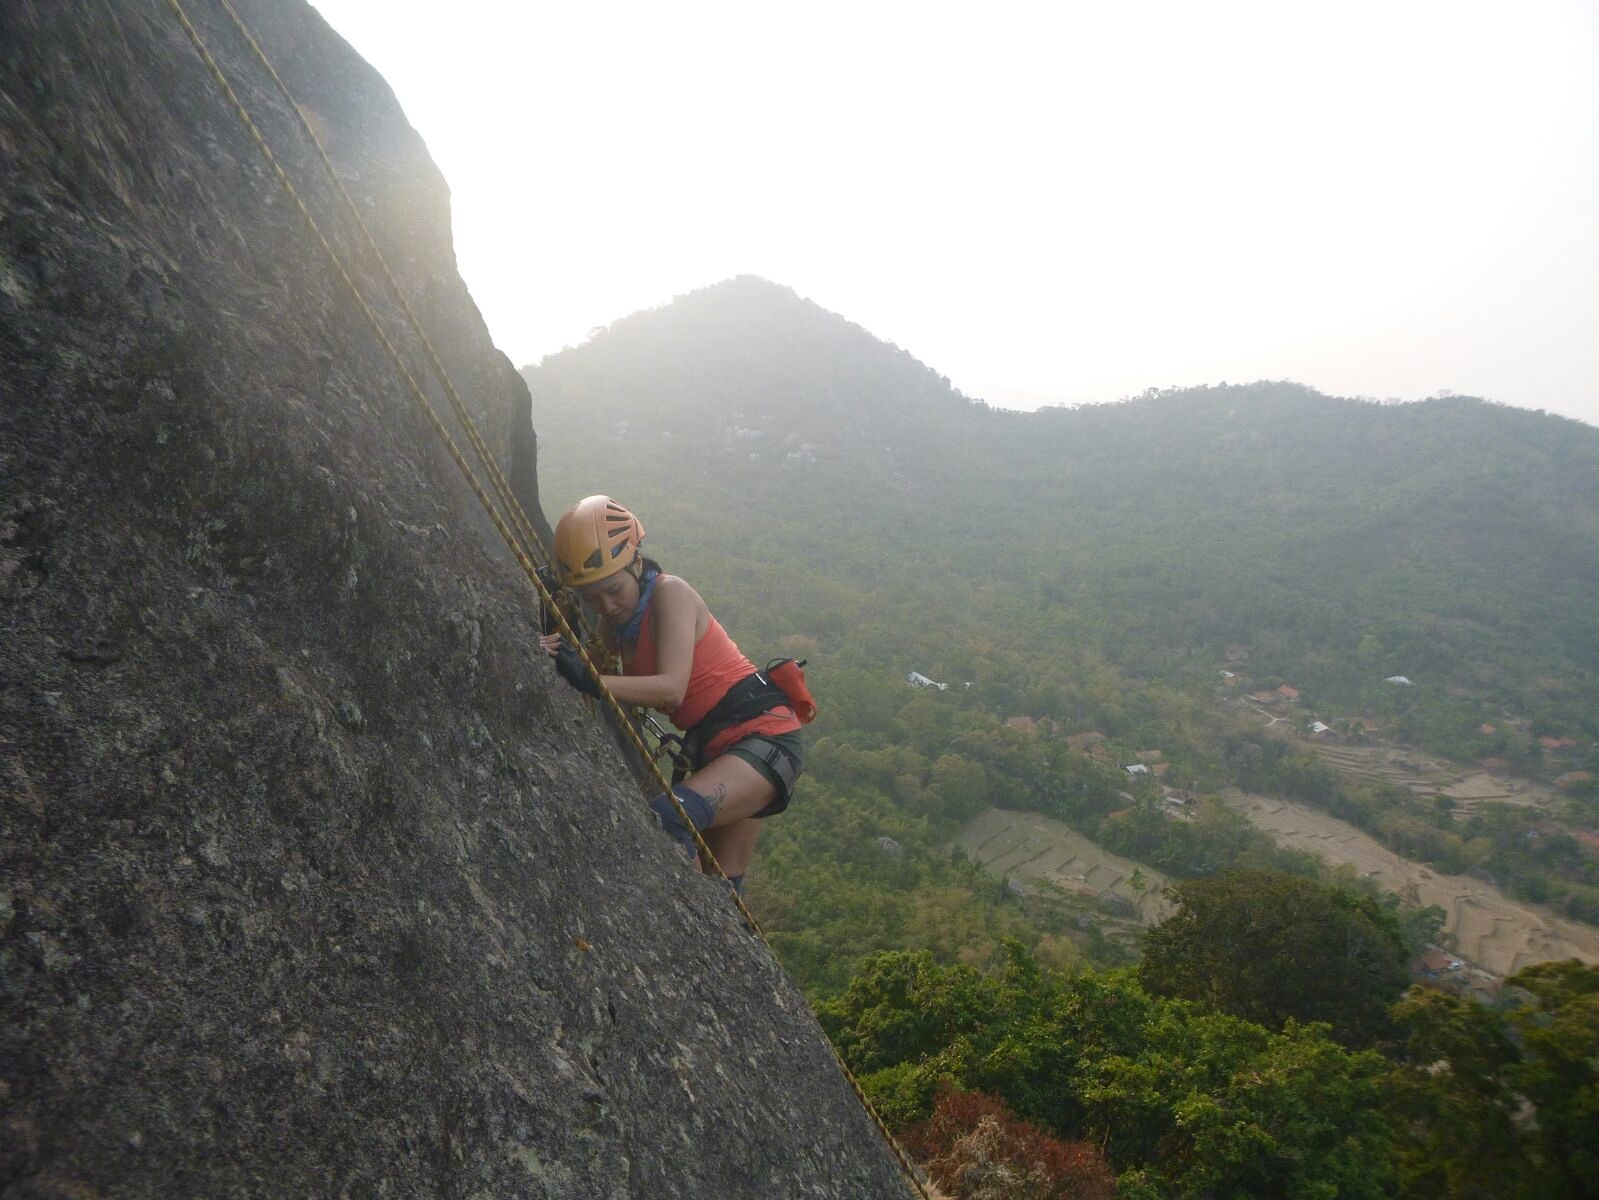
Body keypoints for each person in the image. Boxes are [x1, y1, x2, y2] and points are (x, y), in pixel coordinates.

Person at [539, 496, 802, 894]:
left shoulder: (671, 594)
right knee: (724, 889)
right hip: (721, 751)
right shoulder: (617, 625)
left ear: (636, 563)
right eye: (590, 598)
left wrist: (587, 678)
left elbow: (670, 688)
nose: (606, 606)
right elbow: (590, 669)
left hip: (764, 738)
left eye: (613, 590)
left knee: (667, 819)